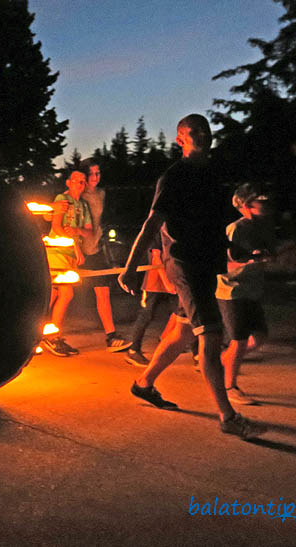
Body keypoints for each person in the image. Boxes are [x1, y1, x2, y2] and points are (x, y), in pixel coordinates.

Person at [118, 113, 266, 440]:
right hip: (185, 265)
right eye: (192, 131)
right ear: (180, 140)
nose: (200, 134)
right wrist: (130, 266)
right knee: (209, 338)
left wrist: (233, 251)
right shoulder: (174, 177)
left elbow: (212, 225)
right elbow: (151, 225)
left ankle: (143, 384)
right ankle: (228, 416)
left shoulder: (212, 176)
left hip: (207, 262)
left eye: (204, 130)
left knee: (182, 332)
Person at [216, 183, 277, 406]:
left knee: (259, 336)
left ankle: (221, 363)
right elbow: (226, 261)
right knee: (238, 341)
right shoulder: (236, 228)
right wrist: (253, 259)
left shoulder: (261, 226)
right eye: (260, 200)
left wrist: (264, 257)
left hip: (251, 290)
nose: (266, 204)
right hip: (232, 291)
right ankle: (229, 386)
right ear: (246, 205)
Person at [79, 158, 132, 353]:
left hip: (97, 247)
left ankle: (111, 336)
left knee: (103, 291)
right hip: (78, 248)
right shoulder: (78, 193)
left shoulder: (101, 194)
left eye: (97, 173)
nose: (95, 177)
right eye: (91, 174)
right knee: (61, 291)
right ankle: (41, 333)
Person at [40, 170, 90, 357]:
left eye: (83, 181)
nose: (80, 184)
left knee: (52, 295)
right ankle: (52, 337)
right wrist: (76, 247)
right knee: (66, 293)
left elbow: (80, 229)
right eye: (77, 180)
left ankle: (37, 333)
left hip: (67, 254)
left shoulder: (80, 204)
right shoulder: (62, 198)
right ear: (68, 182)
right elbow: (56, 226)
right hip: (57, 251)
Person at [124, 238, 176, 367]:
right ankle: (133, 350)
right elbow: (156, 257)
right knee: (147, 314)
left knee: (182, 313)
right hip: (155, 281)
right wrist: (167, 283)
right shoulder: (159, 229)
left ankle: (195, 353)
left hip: (174, 278)